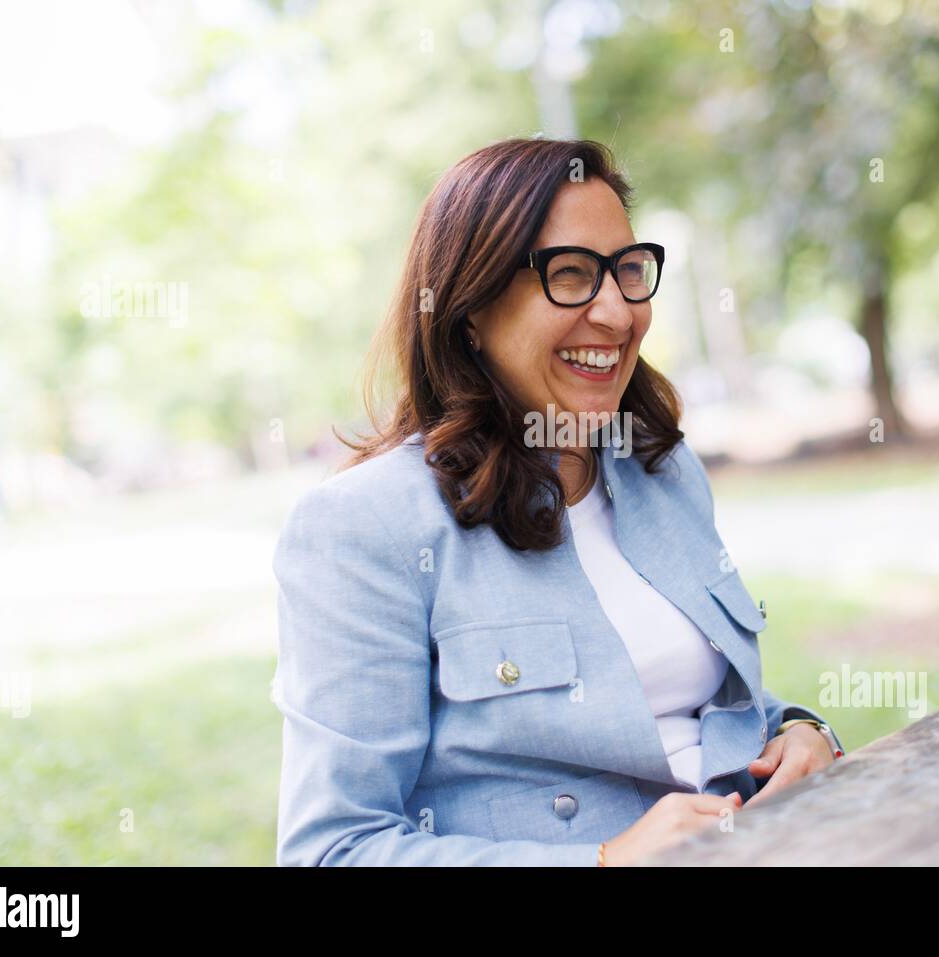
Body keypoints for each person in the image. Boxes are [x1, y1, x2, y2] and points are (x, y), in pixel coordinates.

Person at [271, 137, 843, 867]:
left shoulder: (658, 469)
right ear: (468, 309)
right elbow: (333, 849)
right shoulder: (364, 525)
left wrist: (798, 730)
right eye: (569, 275)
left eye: (629, 271)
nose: (616, 312)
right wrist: (604, 860)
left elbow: (695, 702)